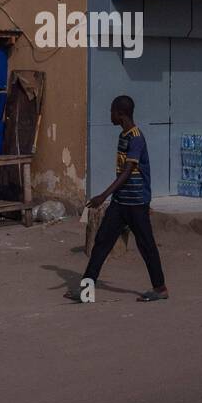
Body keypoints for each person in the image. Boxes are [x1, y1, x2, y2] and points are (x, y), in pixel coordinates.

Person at [66, 95, 168, 303]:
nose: (109, 115)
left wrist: (103, 195)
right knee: (102, 242)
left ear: (120, 114)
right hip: (121, 202)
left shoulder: (136, 138)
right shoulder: (123, 135)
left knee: (146, 244)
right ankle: (86, 291)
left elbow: (128, 171)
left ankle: (160, 288)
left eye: (111, 112)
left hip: (137, 202)